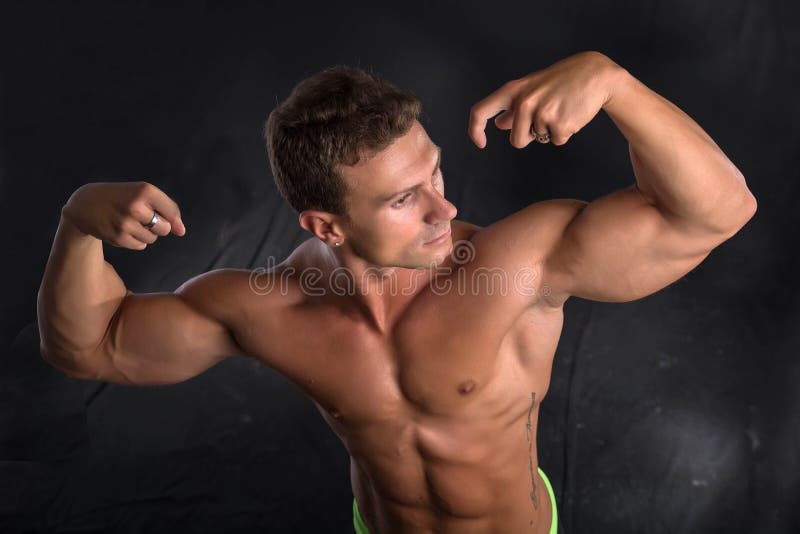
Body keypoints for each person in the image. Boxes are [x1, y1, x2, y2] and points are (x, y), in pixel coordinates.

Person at [37, 50, 756, 533]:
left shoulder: (519, 265)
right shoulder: (269, 307)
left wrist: (613, 83)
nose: (445, 210)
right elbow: (91, 347)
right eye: (406, 199)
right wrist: (78, 224)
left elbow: (716, 211)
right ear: (327, 224)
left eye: (436, 174)